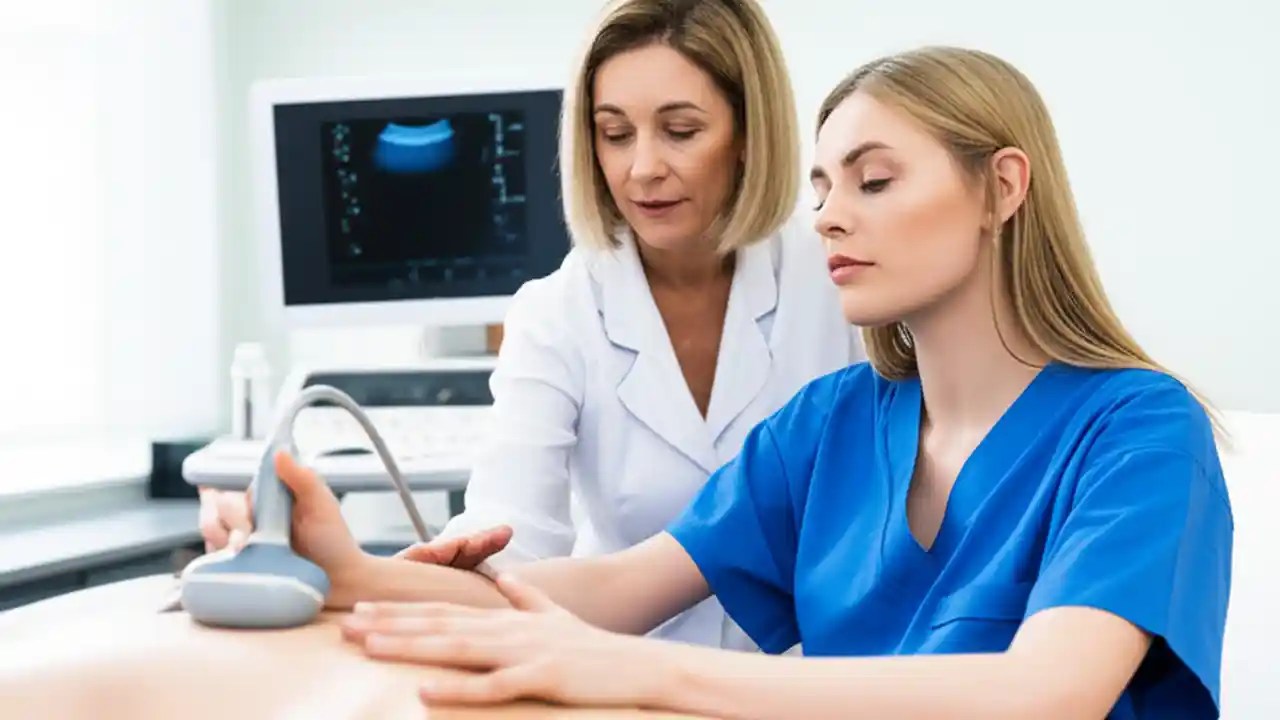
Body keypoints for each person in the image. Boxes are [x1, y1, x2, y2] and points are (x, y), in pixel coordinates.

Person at [259, 45, 1234, 718]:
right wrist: (349, 574)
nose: (828, 218)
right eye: (818, 189)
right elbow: (609, 591)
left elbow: (1041, 696)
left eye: (872, 180)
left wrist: (645, 677)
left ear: (1001, 187)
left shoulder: (1139, 431)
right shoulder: (829, 426)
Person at [197, 0, 859, 653]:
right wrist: (382, 568)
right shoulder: (559, 310)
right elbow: (511, 534)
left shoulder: (837, 280)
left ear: (749, 133)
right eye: (614, 132)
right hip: (615, 669)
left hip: (810, 680)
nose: (642, 169)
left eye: (680, 131)